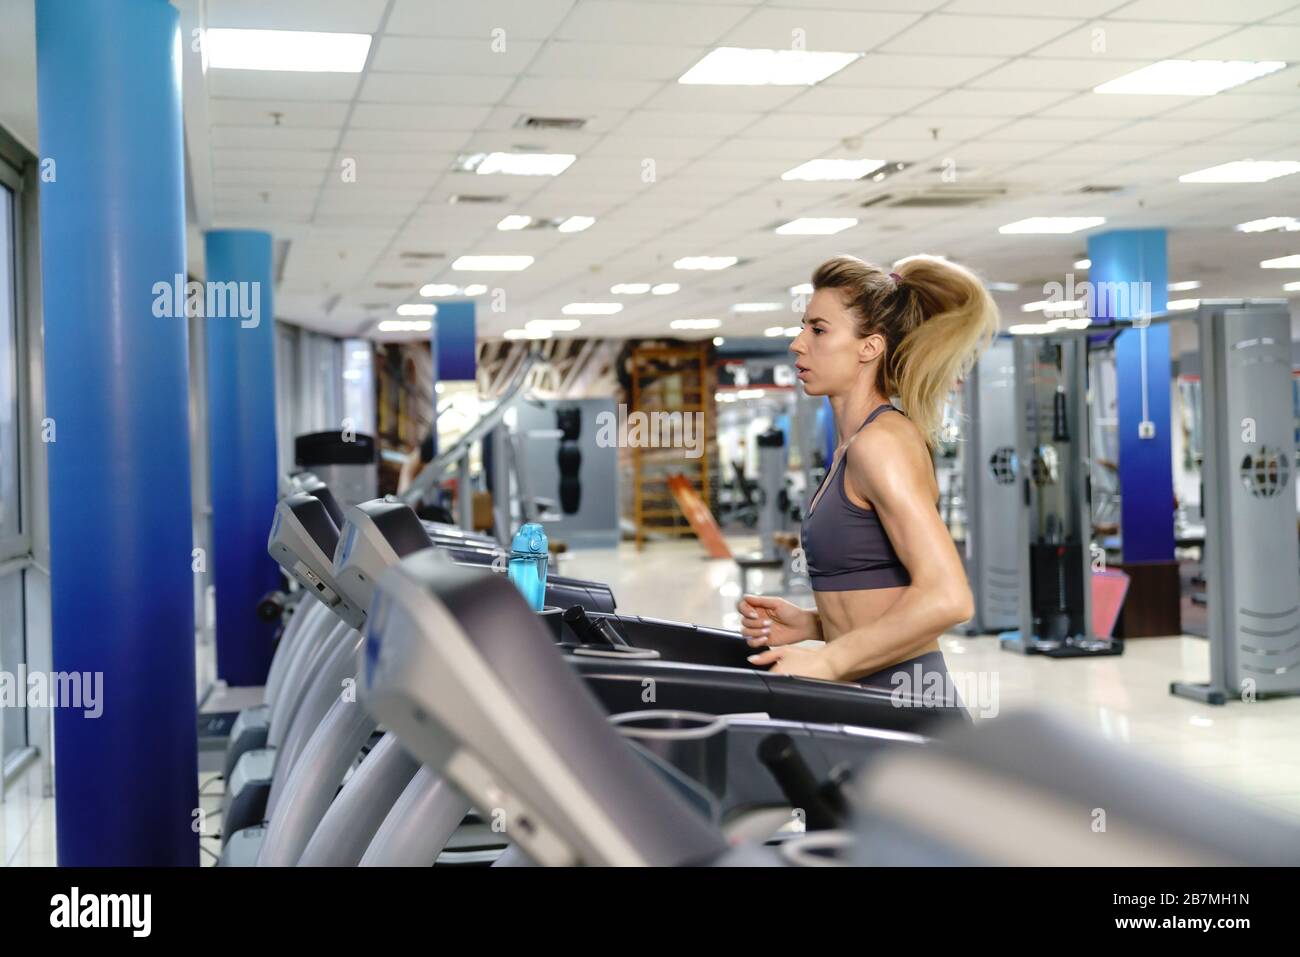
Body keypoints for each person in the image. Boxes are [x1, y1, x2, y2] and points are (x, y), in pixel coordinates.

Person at [739, 254, 996, 706]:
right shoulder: (851, 446)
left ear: (869, 347)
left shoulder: (881, 444)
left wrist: (830, 661)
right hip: (866, 693)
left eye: (818, 330)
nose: (798, 344)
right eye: (804, 327)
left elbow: (949, 597)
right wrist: (813, 624)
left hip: (903, 701)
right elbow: (883, 589)